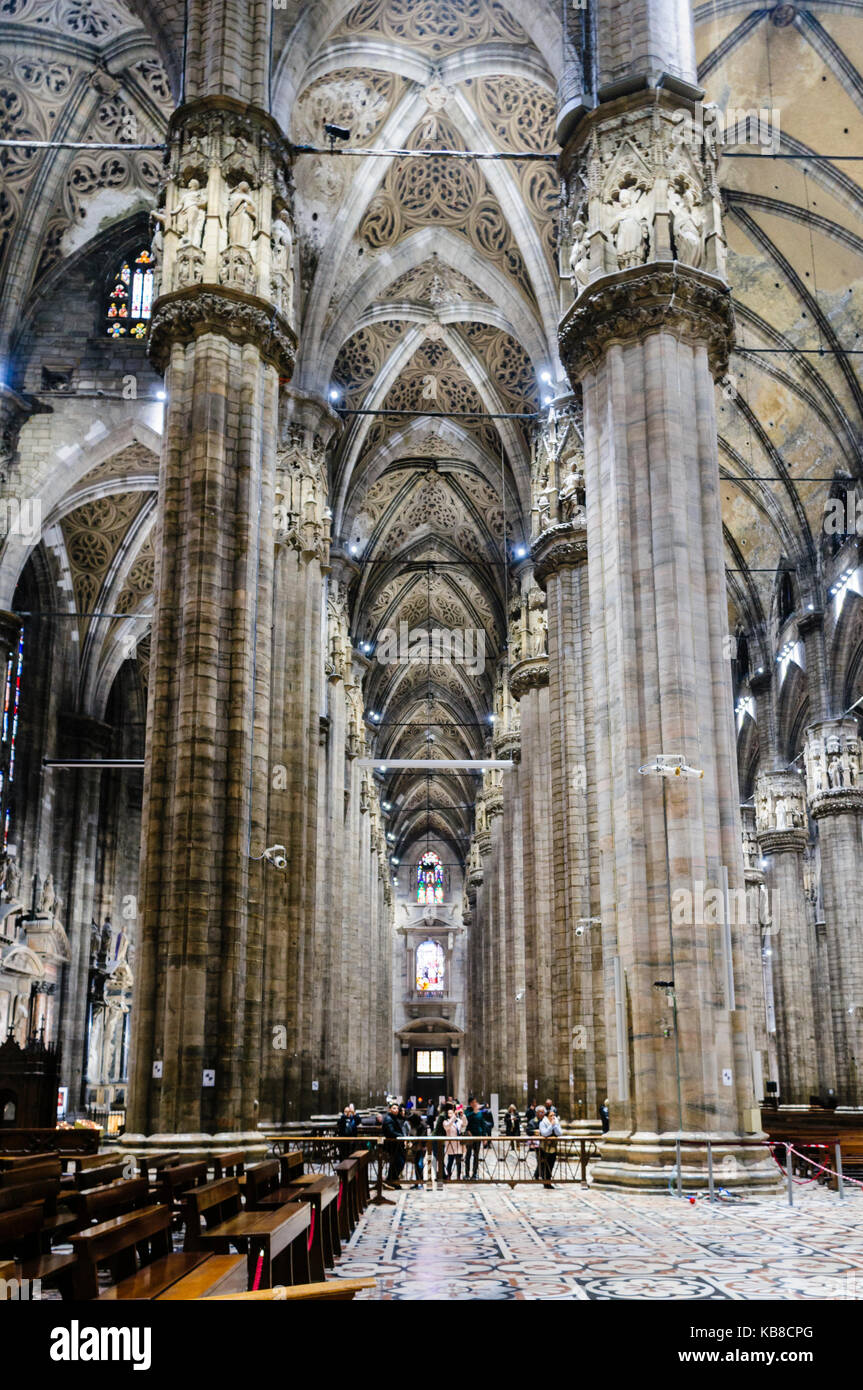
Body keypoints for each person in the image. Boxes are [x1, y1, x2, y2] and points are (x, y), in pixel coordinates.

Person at [538, 1105, 562, 1188]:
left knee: (551, 1164)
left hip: (553, 1147)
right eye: (551, 1115)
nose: (553, 1117)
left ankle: (548, 1181)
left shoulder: (556, 1122)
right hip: (544, 1147)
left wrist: (555, 1126)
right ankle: (546, 1182)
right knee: (545, 1165)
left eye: (554, 1115)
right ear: (547, 1116)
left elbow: (559, 1133)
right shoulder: (542, 1123)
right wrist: (551, 1126)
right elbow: (544, 1133)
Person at [382, 1102, 406, 1188]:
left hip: (396, 1145)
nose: (396, 1110)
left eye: (397, 1108)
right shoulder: (389, 1119)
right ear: (390, 1109)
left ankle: (392, 1180)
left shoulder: (393, 1117)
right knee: (398, 1162)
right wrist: (402, 1137)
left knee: (396, 1163)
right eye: (394, 1108)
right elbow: (391, 1132)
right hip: (392, 1145)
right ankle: (392, 1180)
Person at [464, 1098, 486, 1179]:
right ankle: (466, 1173)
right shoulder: (467, 1111)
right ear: (470, 1103)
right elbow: (465, 1119)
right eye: (473, 1102)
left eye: (476, 1102)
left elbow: (482, 1125)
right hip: (469, 1136)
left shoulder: (480, 1113)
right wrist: (473, 1112)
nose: (475, 1103)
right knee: (468, 1155)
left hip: (478, 1136)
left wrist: (484, 1137)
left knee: (476, 1155)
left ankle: (474, 1173)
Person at [444, 1104, 466, 1180]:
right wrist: (453, 1117)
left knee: (459, 1162)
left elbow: (465, 1124)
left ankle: (458, 1176)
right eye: (449, 1113)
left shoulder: (459, 1121)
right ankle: (449, 1175)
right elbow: (448, 1126)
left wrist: (462, 1115)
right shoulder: (445, 1122)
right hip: (451, 1145)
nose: (450, 1114)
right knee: (450, 1161)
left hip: (458, 1144)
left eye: (452, 1113)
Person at [408, 1111, 428, 1189]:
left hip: (421, 1147)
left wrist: (416, 1142)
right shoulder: (414, 1125)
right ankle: (417, 1182)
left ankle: (421, 1182)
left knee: (419, 1164)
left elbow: (423, 1136)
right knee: (416, 1164)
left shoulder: (422, 1125)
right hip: (415, 1147)